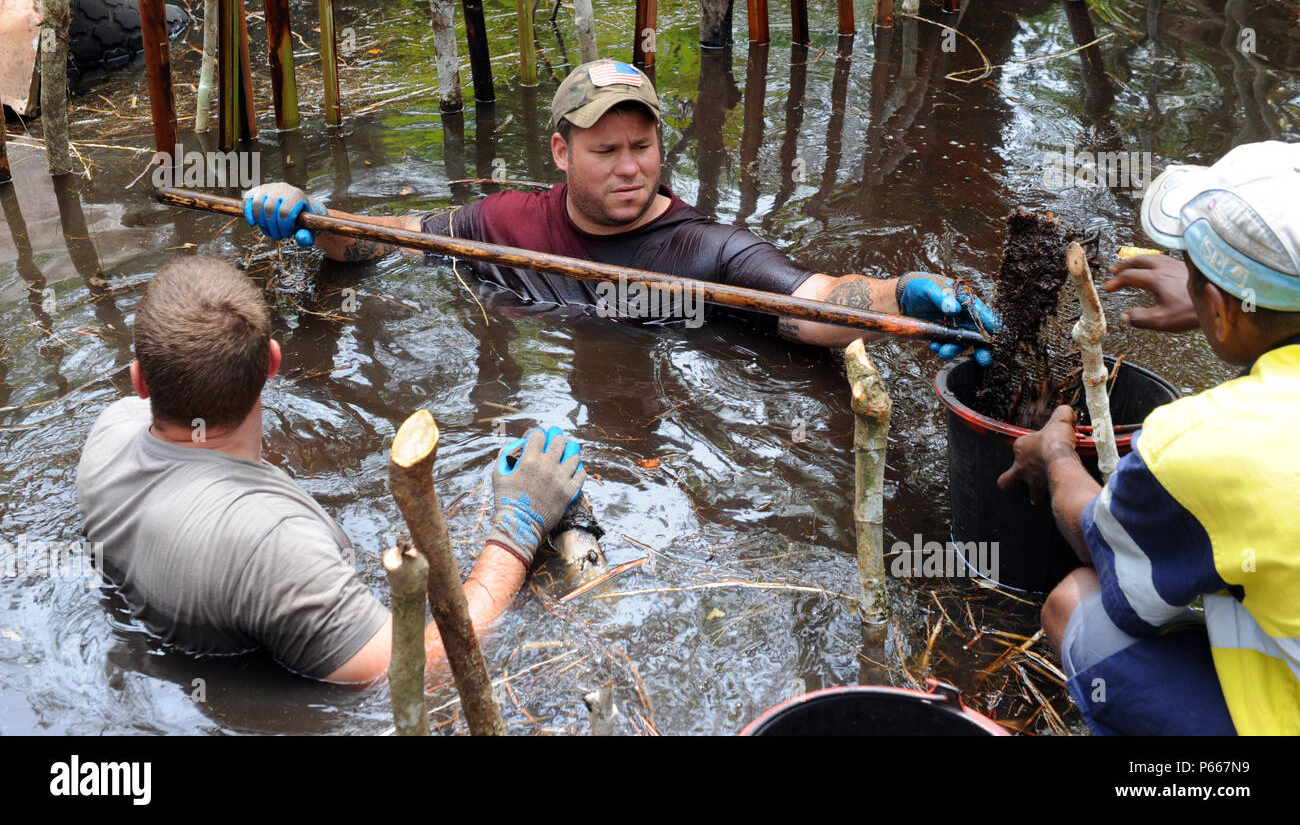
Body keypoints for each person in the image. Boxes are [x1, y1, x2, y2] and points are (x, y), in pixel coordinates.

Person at [242, 59, 998, 362]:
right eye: (606, 151)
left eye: (642, 145)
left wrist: (902, 296)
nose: (631, 167)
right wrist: (309, 215)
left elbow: (814, 304)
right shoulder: (503, 219)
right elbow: (381, 242)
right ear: (562, 153)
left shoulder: (706, 248)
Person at [76, 256, 586, 684]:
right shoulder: (275, 547)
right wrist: (516, 532)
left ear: (139, 381)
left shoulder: (110, 431)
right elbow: (414, 672)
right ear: (273, 362)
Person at [998, 140, 1300, 735]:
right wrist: (1219, 307)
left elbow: (1102, 544)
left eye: (1193, 275)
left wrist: (1057, 457)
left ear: (1220, 307)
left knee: (1077, 600)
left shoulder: (1204, 442)